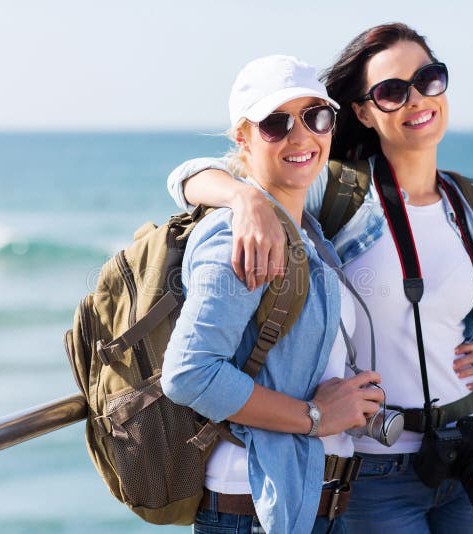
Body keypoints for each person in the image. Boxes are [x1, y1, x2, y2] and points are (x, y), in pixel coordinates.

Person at [164, 24, 473, 534]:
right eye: (392, 91)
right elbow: (200, 173)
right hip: (373, 465)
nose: (416, 100)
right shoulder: (335, 192)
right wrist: (244, 199)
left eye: (429, 79)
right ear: (364, 111)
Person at [161, 54, 384, 534]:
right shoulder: (238, 238)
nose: (301, 136)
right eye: (276, 123)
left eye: (315, 117)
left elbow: (185, 175)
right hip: (254, 511)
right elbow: (188, 374)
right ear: (242, 139)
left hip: (307, 504)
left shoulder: (306, 228)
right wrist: (316, 416)